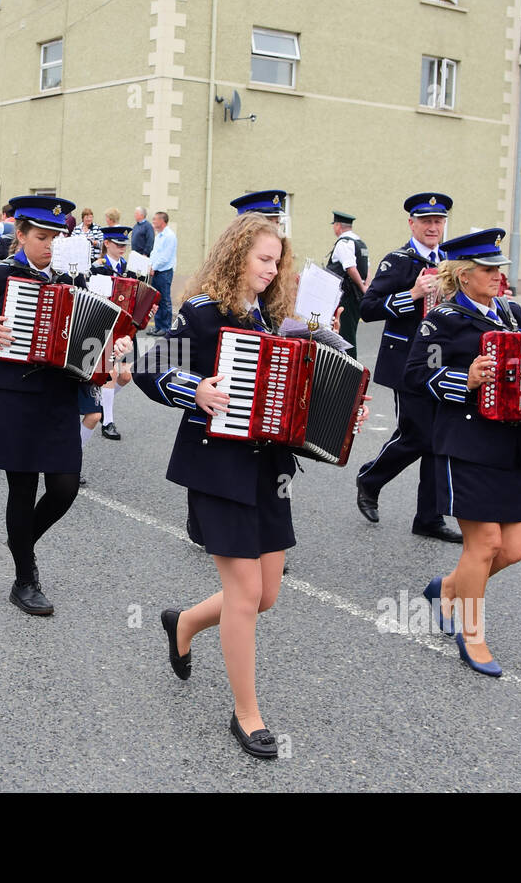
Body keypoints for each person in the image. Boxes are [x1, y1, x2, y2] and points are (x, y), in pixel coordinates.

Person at [135, 213, 364, 759]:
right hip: (217, 467)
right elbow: (149, 367)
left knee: (266, 595)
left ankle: (184, 621)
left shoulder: (277, 318)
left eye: (277, 261)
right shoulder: (202, 313)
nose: (272, 269)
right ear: (237, 255)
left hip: (268, 470)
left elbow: (298, 386)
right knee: (243, 596)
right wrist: (197, 390)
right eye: (263, 259)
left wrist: (343, 404)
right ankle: (247, 715)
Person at [0, 195, 98, 616]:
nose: (50, 244)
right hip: (15, 396)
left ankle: (21, 543)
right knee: (23, 487)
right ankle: (24, 577)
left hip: (58, 396)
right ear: (21, 235)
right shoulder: (2, 275)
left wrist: (112, 344)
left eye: (56, 237)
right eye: (41, 236)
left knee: (65, 486)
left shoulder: (74, 280)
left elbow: (91, 335)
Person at [403, 229, 521, 677]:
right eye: (489, 270)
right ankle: (471, 633)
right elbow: (417, 375)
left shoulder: (513, 313)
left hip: (510, 443)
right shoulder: (442, 320)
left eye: (500, 269)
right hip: (464, 441)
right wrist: (466, 379)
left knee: (514, 549)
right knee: (486, 543)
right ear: (462, 274)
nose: (498, 277)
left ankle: (447, 589)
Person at [354, 192, 461, 543]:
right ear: (412, 224)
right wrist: (412, 294)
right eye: (426, 221)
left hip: (442, 361)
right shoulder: (398, 261)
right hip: (407, 362)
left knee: (438, 438)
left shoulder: (451, 260)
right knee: (418, 434)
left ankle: (429, 517)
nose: (433, 227)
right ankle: (370, 479)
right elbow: (368, 308)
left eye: (439, 221)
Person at [91, 225, 134, 439]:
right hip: (104, 327)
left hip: (125, 329)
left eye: (124, 245)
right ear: (106, 244)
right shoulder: (98, 268)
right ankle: (107, 419)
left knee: (126, 376)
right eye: (118, 244)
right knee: (112, 373)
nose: (122, 248)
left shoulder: (130, 268)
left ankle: (101, 401)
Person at [327, 209, 368, 358]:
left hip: (344, 295)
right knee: (350, 331)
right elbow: (367, 269)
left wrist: (362, 287)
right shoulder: (360, 243)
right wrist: (365, 287)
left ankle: (348, 367)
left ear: (338, 226)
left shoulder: (343, 243)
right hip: (356, 296)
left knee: (344, 335)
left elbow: (350, 267)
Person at [148, 211, 177, 336]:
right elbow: (155, 253)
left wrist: (154, 266)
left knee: (164, 300)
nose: (153, 221)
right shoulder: (159, 235)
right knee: (157, 300)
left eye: (155, 219)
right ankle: (158, 327)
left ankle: (165, 328)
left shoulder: (169, 236)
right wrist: (150, 265)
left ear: (162, 221)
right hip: (156, 271)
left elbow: (165, 257)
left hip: (164, 272)